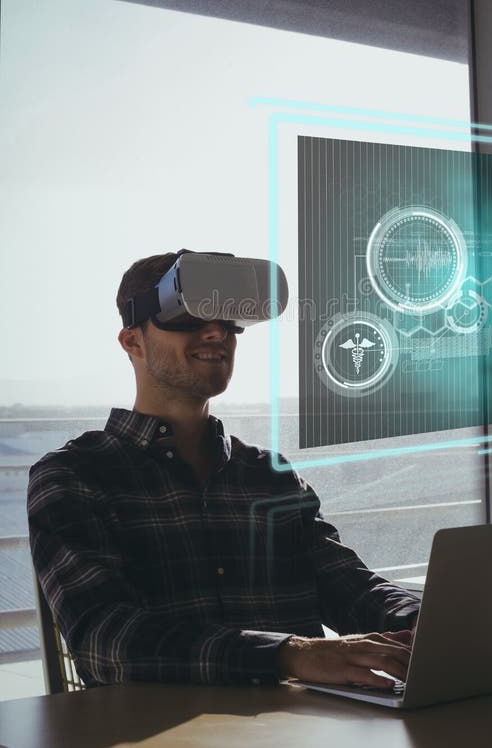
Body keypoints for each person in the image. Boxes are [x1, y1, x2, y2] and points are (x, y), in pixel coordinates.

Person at [28, 251, 420, 688]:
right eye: (187, 317)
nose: (216, 332)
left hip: (304, 728)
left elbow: (347, 585)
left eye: (227, 321)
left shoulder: (270, 476)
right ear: (132, 341)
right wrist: (288, 655)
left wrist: (427, 620)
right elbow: (106, 641)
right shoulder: (75, 477)